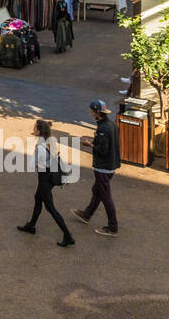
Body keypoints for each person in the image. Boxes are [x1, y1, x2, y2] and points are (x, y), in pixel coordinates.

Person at [17, 119, 75, 247]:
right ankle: (31, 225)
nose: (33, 130)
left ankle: (67, 235)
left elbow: (34, 166)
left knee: (50, 207)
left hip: (44, 179)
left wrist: (36, 163)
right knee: (37, 198)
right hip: (51, 178)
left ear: (39, 131)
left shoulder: (40, 147)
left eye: (35, 128)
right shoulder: (52, 140)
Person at [73, 100, 119, 236]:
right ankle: (87, 214)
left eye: (91, 111)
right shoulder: (110, 124)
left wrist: (89, 144)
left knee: (105, 196)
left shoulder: (103, 129)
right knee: (97, 191)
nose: (90, 113)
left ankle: (113, 227)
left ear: (97, 112)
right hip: (111, 164)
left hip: (103, 167)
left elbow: (102, 150)